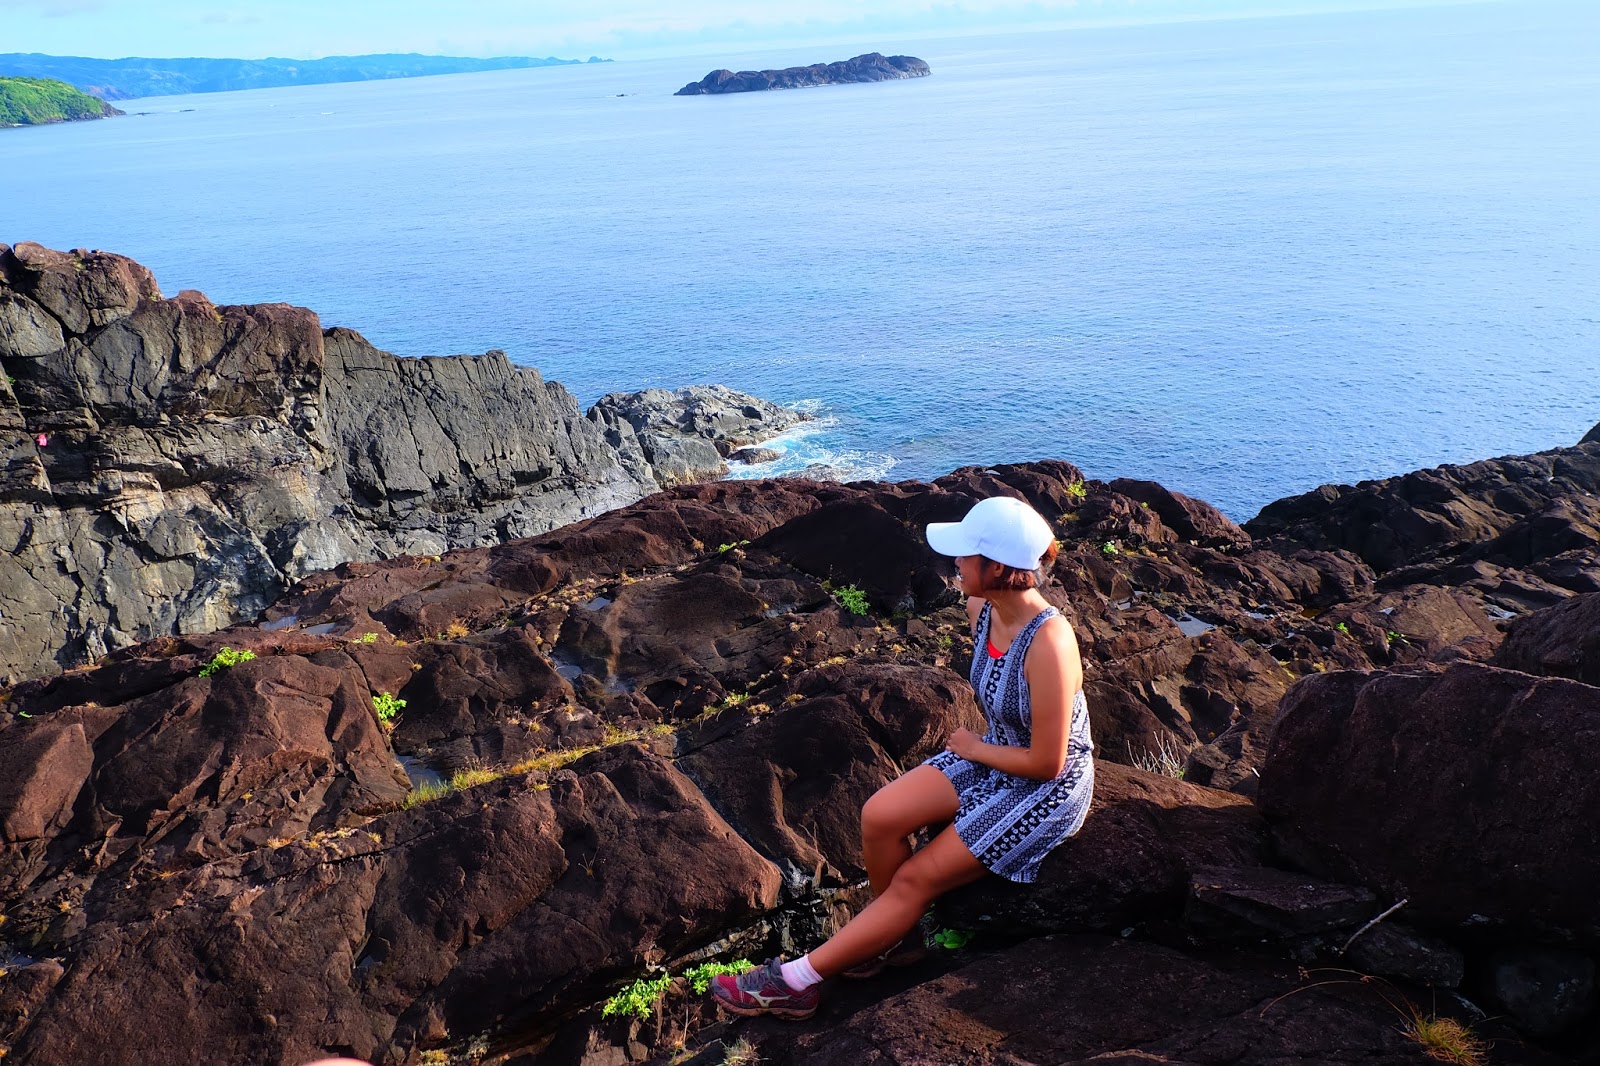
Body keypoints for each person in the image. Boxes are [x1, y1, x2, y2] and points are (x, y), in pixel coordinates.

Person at [710, 495, 1096, 1019]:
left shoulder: (1050, 642)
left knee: (915, 879)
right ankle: (892, 935)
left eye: (965, 556)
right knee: (879, 815)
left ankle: (795, 980)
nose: (954, 564)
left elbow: (1049, 763)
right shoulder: (981, 608)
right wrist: (982, 748)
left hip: (1045, 787)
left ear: (1000, 568)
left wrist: (974, 748)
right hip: (998, 751)